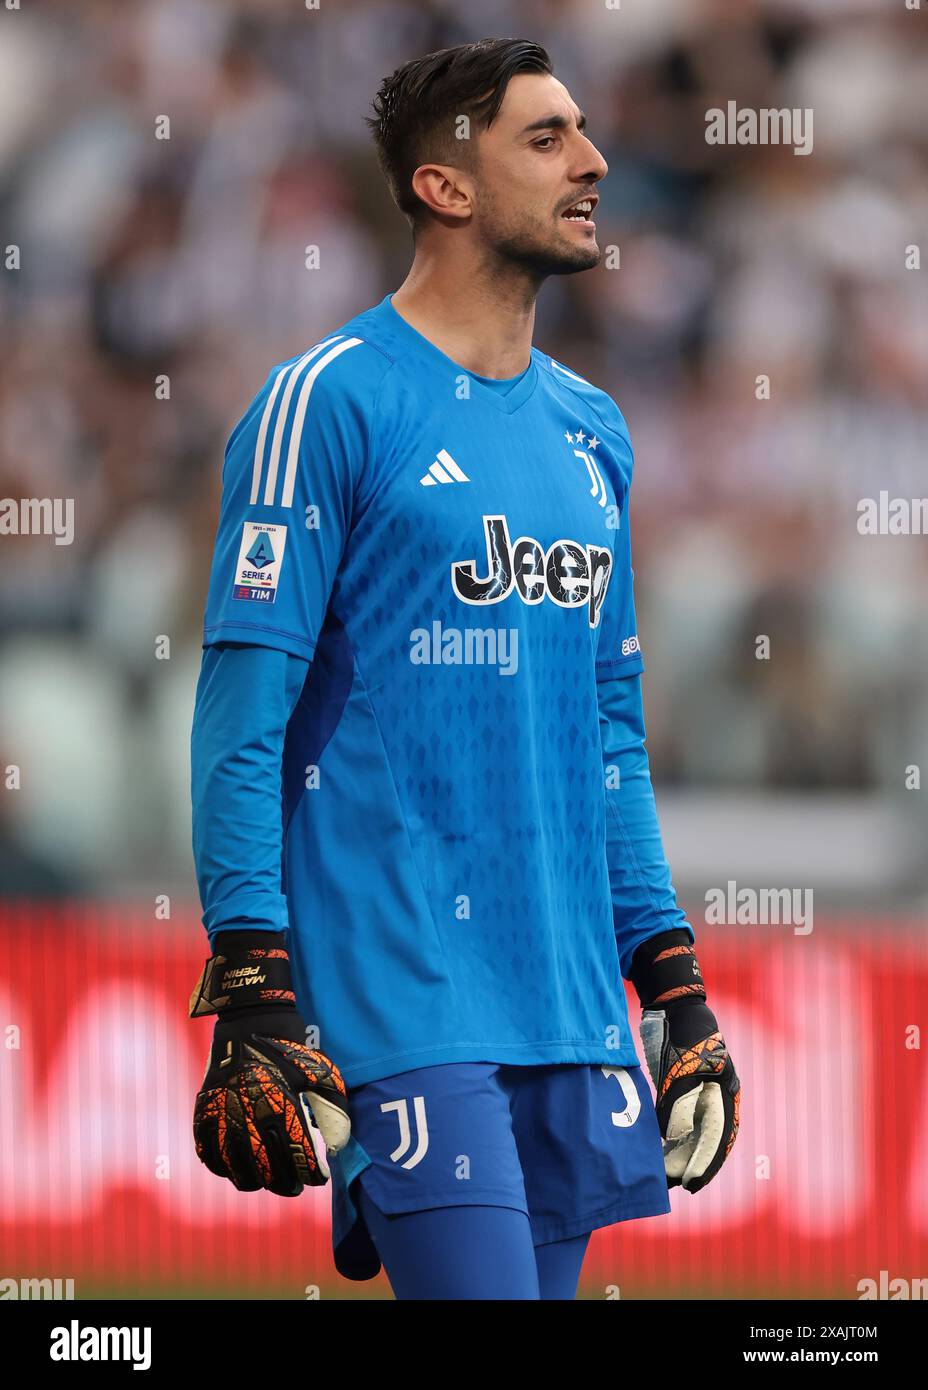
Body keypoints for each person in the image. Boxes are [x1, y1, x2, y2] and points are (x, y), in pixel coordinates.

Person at [188, 36, 740, 1301]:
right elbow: (242, 720)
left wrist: (675, 986)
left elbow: (608, 735)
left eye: (585, 133)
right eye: (546, 139)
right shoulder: (321, 401)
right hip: (402, 993)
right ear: (444, 186)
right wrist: (257, 984)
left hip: (568, 1000)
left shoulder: (592, 430)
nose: (594, 162)